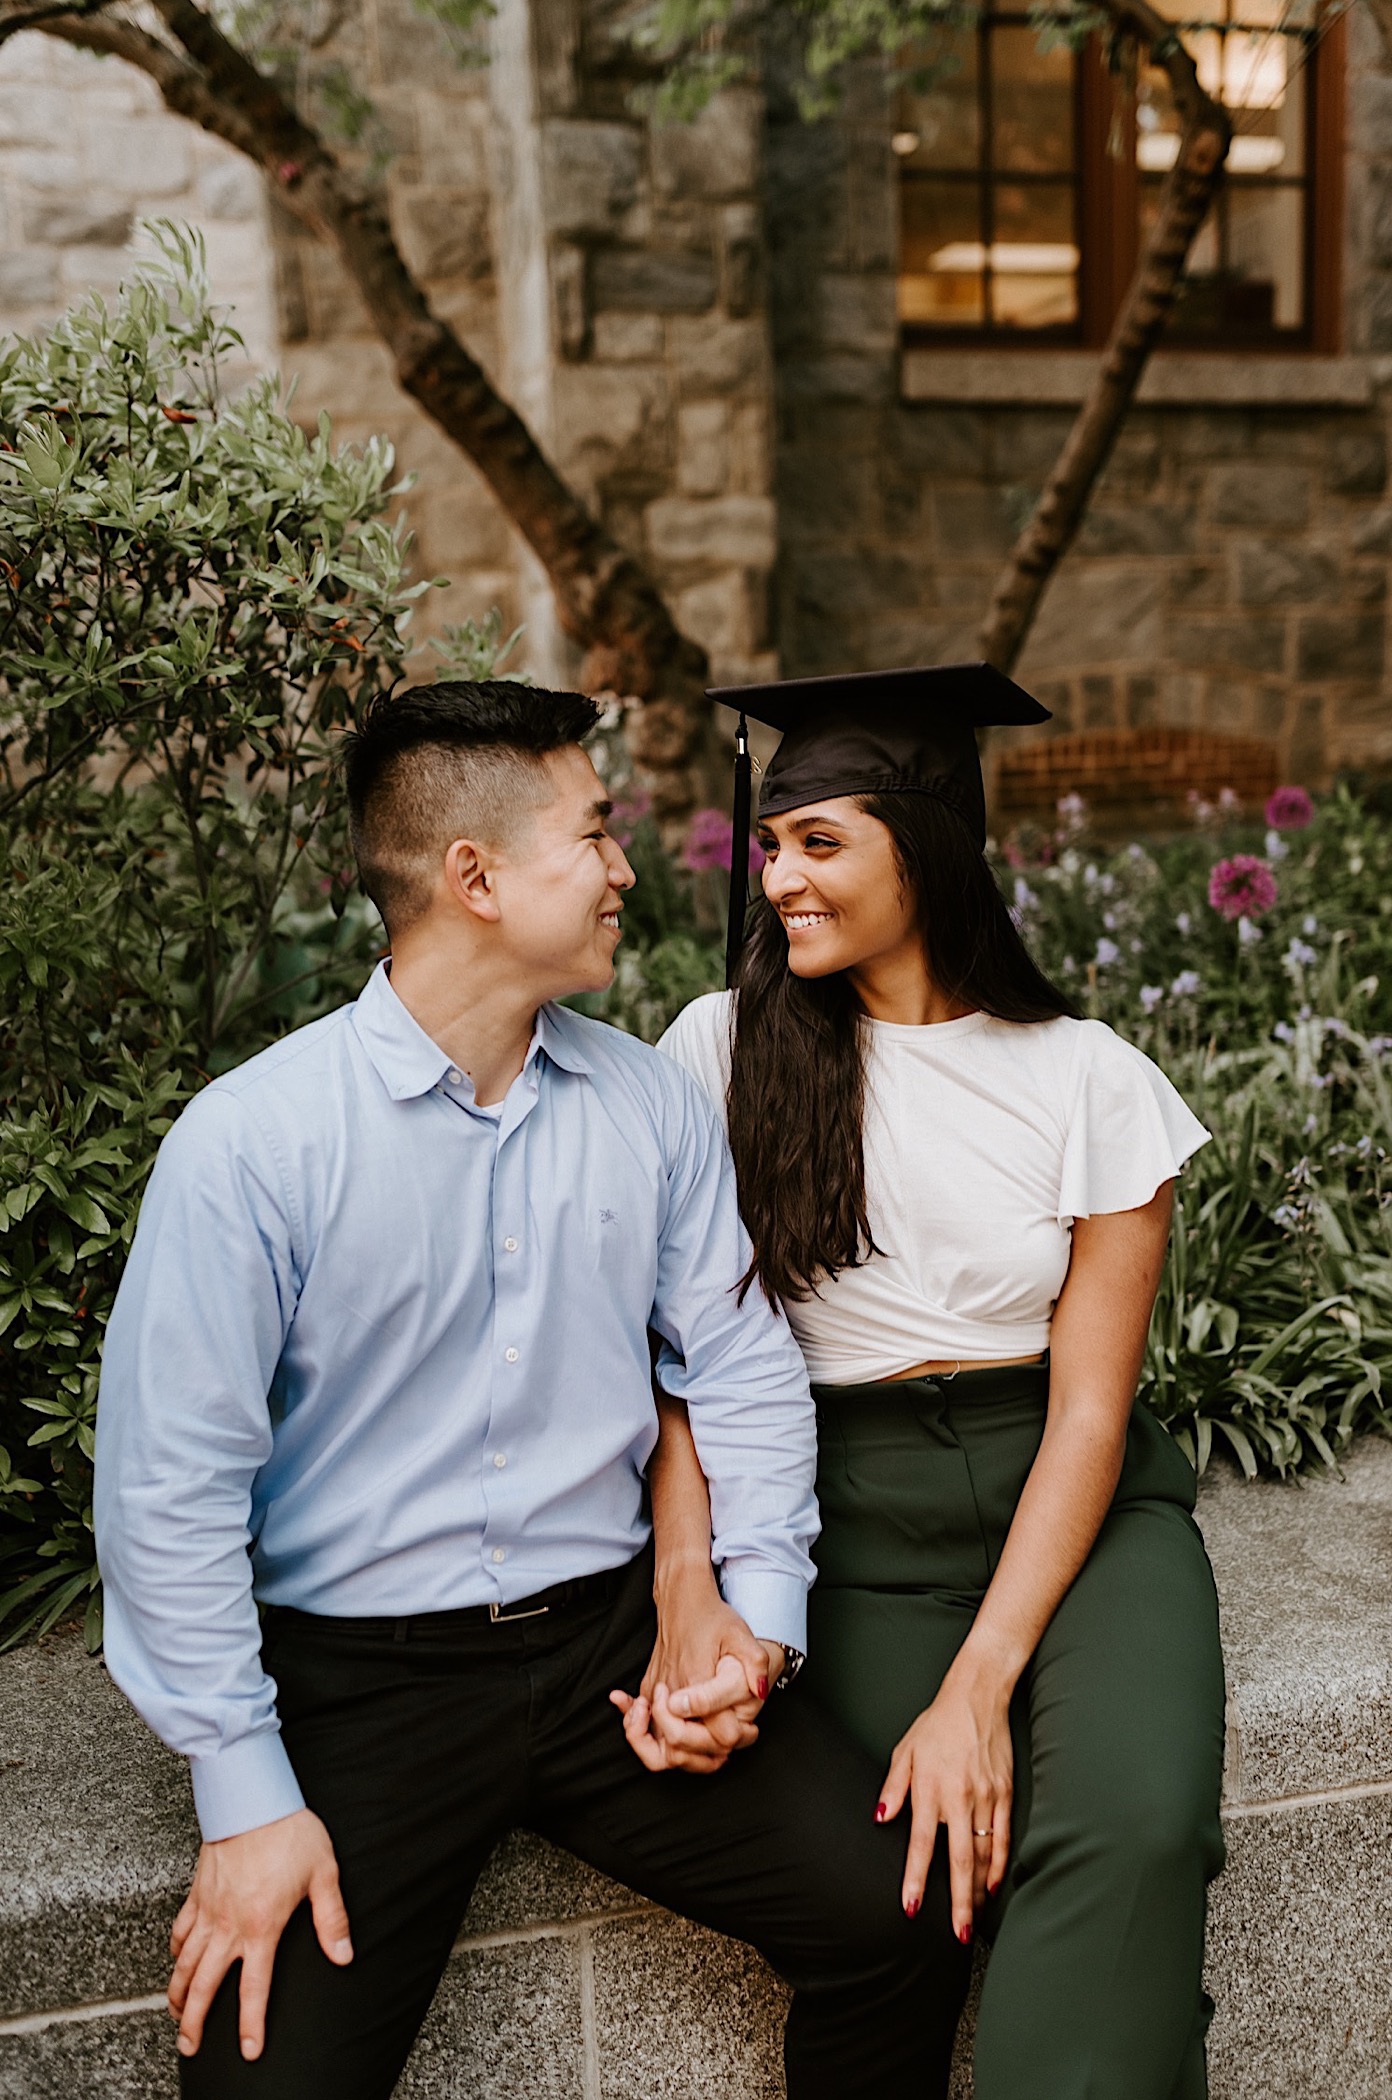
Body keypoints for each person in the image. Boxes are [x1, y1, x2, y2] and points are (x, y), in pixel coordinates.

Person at [93, 680, 969, 2100]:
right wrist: (245, 1795)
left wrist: (756, 1631)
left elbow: (739, 1368)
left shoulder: (646, 1104)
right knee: (265, 2082)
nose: (630, 867)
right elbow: (164, 1495)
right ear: (475, 877)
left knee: (900, 1913)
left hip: (607, 1653)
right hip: (360, 1684)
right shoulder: (251, 1148)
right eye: (597, 834)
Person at [646, 664, 1228, 2100]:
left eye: (821, 842)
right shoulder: (718, 1053)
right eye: (772, 845)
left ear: (930, 844)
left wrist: (981, 1681)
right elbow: (680, 1372)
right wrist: (691, 1585)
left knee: (1137, 1826)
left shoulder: (1087, 1077)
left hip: (1077, 1516)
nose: (779, 877)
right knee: (928, 1861)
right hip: (846, 1515)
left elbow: (1092, 1410)